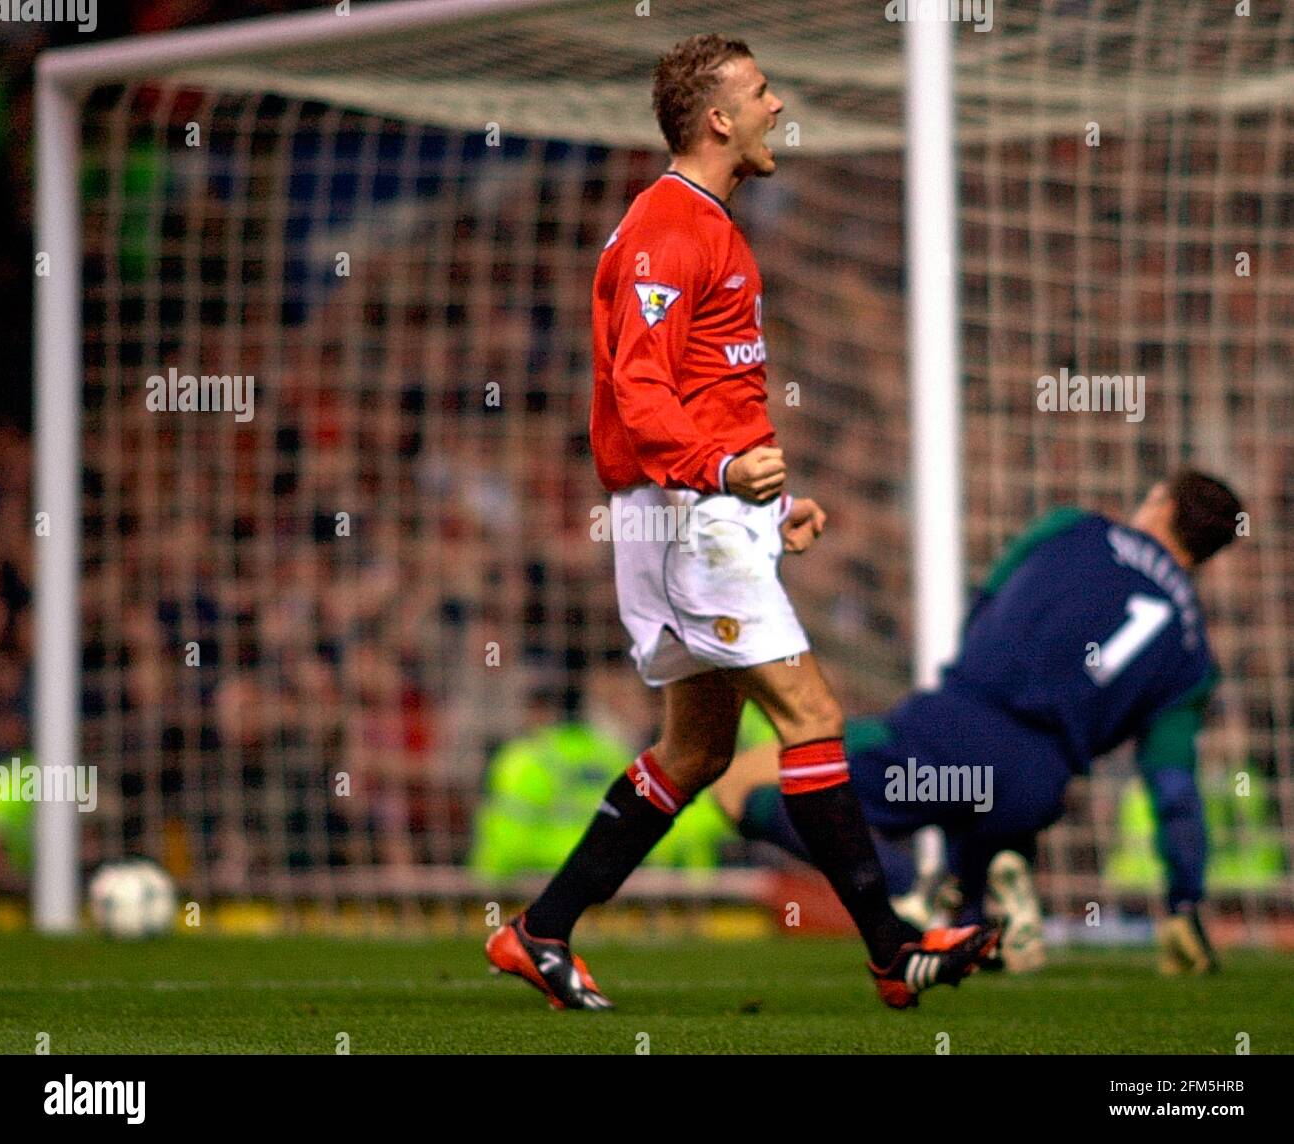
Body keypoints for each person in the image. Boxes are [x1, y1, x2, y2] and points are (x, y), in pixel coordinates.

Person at [485, 34, 997, 1012]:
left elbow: (695, 384)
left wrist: (760, 502)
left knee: (696, 752)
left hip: (706, 513)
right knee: (812, 719)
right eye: (762, 91)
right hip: (687, 515)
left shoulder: (700, 223)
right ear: (717, 117)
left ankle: (538, 930)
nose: (777, 104)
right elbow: (638, 387)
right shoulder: (667, 226)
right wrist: (719, 472)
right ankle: (890, 949)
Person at [715, 471, 1242, 973]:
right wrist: (1183, 902)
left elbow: (984, 608)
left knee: (739, 786)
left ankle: (911, 889)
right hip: (1039, 784)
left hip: (956, 730)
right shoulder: (1192, 657)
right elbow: (1173, 790)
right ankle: (979, 900)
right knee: (973, 899)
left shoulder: (1072, 528)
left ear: (1164, 505)